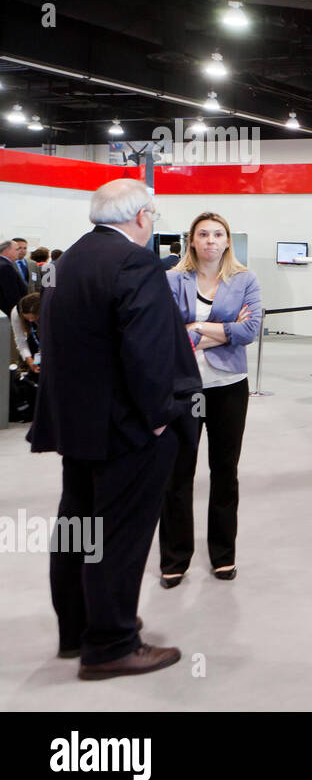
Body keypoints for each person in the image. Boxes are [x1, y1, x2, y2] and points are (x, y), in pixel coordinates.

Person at [28, 179, 201, 680]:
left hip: (78, 423)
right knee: (119, 536)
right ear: (143, 216)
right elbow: (146, 351)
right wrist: (159, 417)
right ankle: (111, 644)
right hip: (126, 428)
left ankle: (79, 629)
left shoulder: (70, 260)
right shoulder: (135, 262)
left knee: (79, 527)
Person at [160, 211, 261, 588]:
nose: (210, 241)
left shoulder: (244, 279)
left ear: (228, 240)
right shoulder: (171, 279)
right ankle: (174, 559)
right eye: (203, 234)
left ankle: (223, 556)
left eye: (218, 234)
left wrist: (197, 327)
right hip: (183, 388)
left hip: (229, 386)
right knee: (176, 475)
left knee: (225, 473)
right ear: (192, 240)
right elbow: (169, 331)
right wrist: (224, 330)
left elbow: (250, 330)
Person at [11, 291, 40, 373]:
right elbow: (20, 339)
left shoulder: (51, 312)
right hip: (33, 345)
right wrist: (29, 360)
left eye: (33, 317)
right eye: (27, 318)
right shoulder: (16, 313)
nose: (30, 320)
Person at [0, 239, 25, 315]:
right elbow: (11, 293)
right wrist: (18, 313)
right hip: (11, 311)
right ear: (7, 251)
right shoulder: (5, 266)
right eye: (17, 249)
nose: (20, 252)